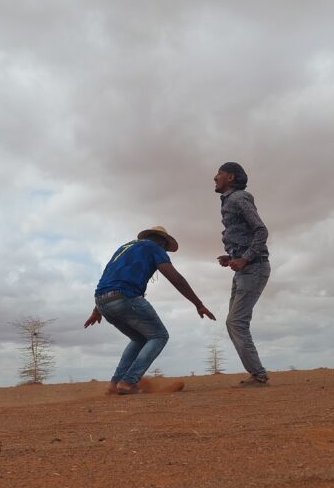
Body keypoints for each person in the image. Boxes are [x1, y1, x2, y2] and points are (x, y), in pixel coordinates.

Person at [84, 226, 215, 394]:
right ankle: (128, 382)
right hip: (126, 297)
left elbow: (111, 278)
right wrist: (198, 304)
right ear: (162, 241)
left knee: (139, 339)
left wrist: (97, 310)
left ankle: (114, 383)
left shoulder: (123, 249)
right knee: (159, 336)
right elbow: (176, 278)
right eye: (166, 248)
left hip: (102, 301)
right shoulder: (154, 247)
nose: (165, 251)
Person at [214, 162, 270, 385]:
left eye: (219, 173)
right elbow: (245, 234)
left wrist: (245, 258)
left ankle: (258, 374)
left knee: (236, 322)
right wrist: (233, 257)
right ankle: (257, 373)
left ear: (230, 177)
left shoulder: (239, 198)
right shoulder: (230, 201)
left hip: (253, 267)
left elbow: (261, 230)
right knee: (233, 322)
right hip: (245, 269)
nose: (215, 177)